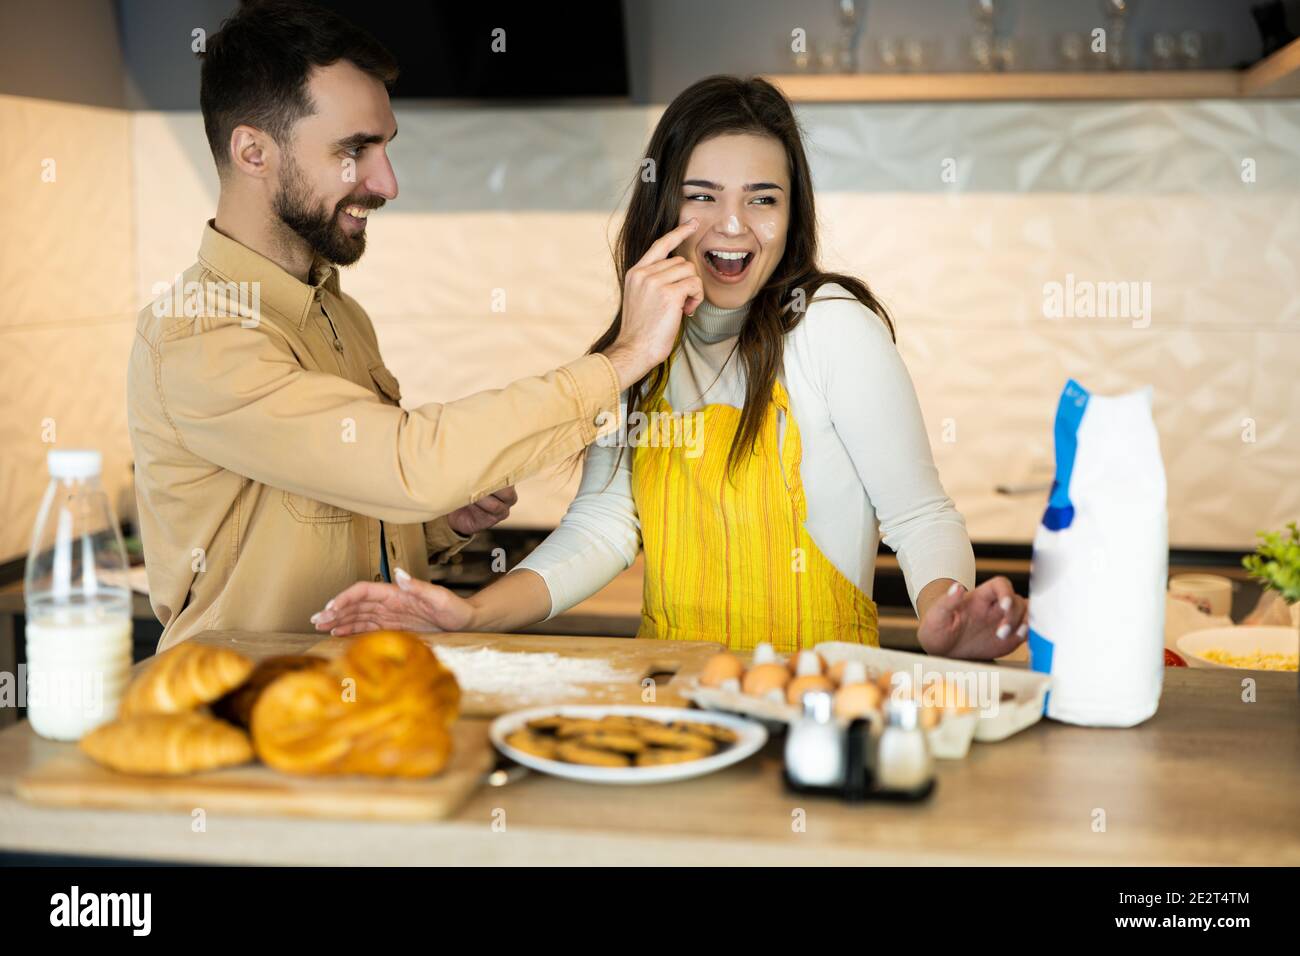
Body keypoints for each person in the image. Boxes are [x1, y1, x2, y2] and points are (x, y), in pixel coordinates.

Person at [315, 76, 1029, 660]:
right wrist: (470, 615)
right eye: (703, 195)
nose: (732, 224)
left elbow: (919, 513)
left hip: (820, 706)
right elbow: (601, 527)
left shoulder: (829, 326)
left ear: (793, 214)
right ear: (664, 204)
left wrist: (944, 613)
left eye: (763, 199)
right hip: (683, 707)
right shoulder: (637, 349)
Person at [127, 1, 700, 651]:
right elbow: (405, 462)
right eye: (355, 151)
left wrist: (434, 522)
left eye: (384, 148)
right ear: (253, 151)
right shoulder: (199, 338)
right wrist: (624, 357)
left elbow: (354, 487)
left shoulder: (337, 314)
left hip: (348, 703)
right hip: (240, 721)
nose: (387, 182)